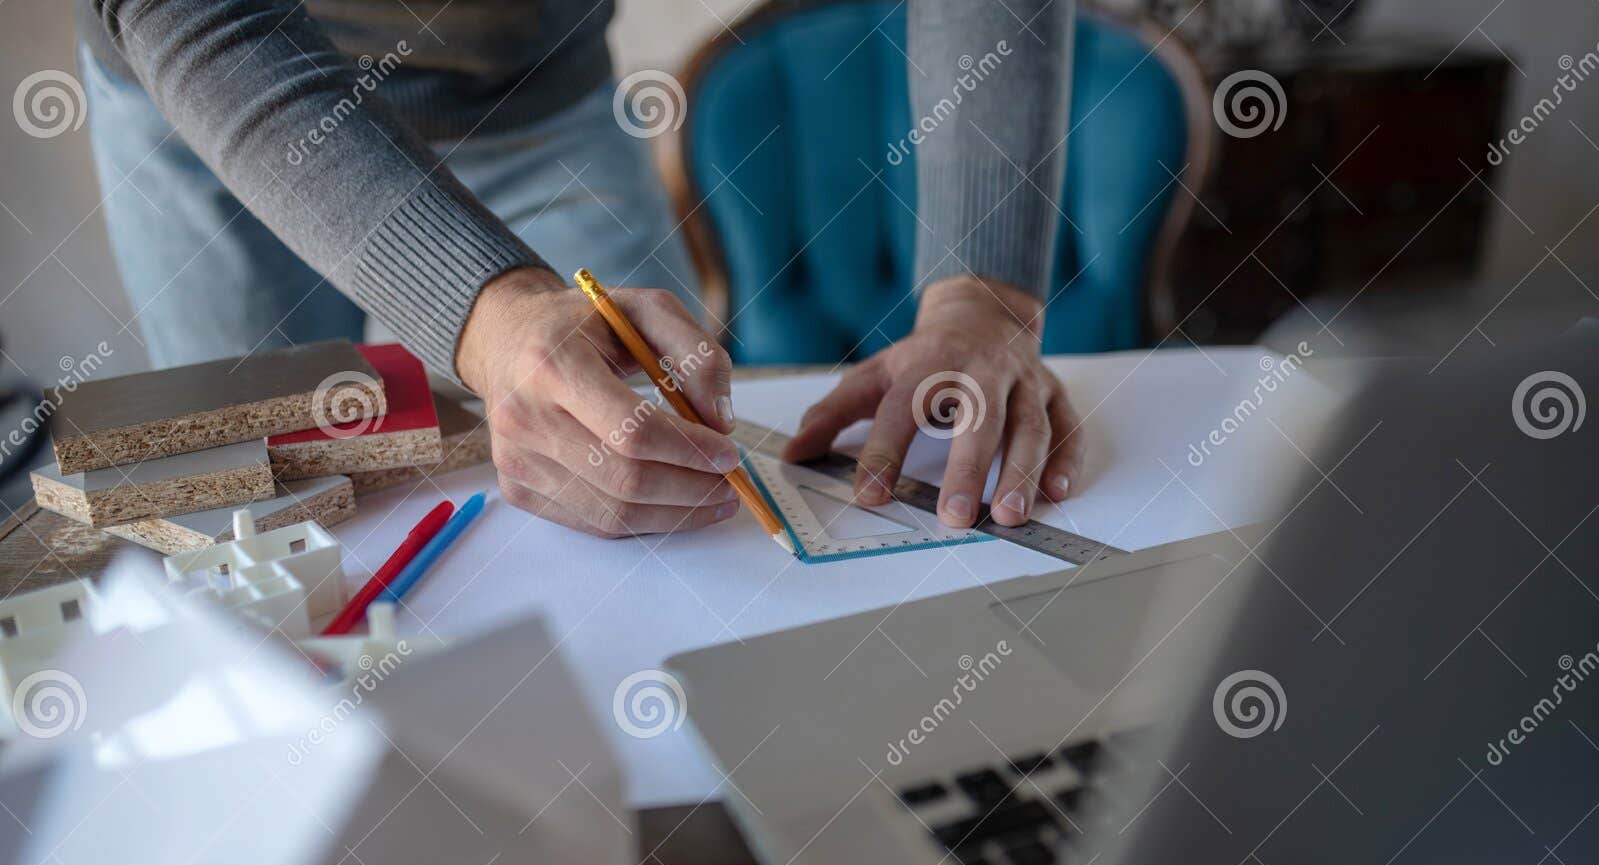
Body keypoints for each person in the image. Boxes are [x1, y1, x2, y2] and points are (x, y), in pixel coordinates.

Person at [82, 0, 1083, 537]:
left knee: (655, 478)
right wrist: (491, 318)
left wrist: (981, 296)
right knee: (259, 527)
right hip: (217, 96)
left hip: (534, 88)